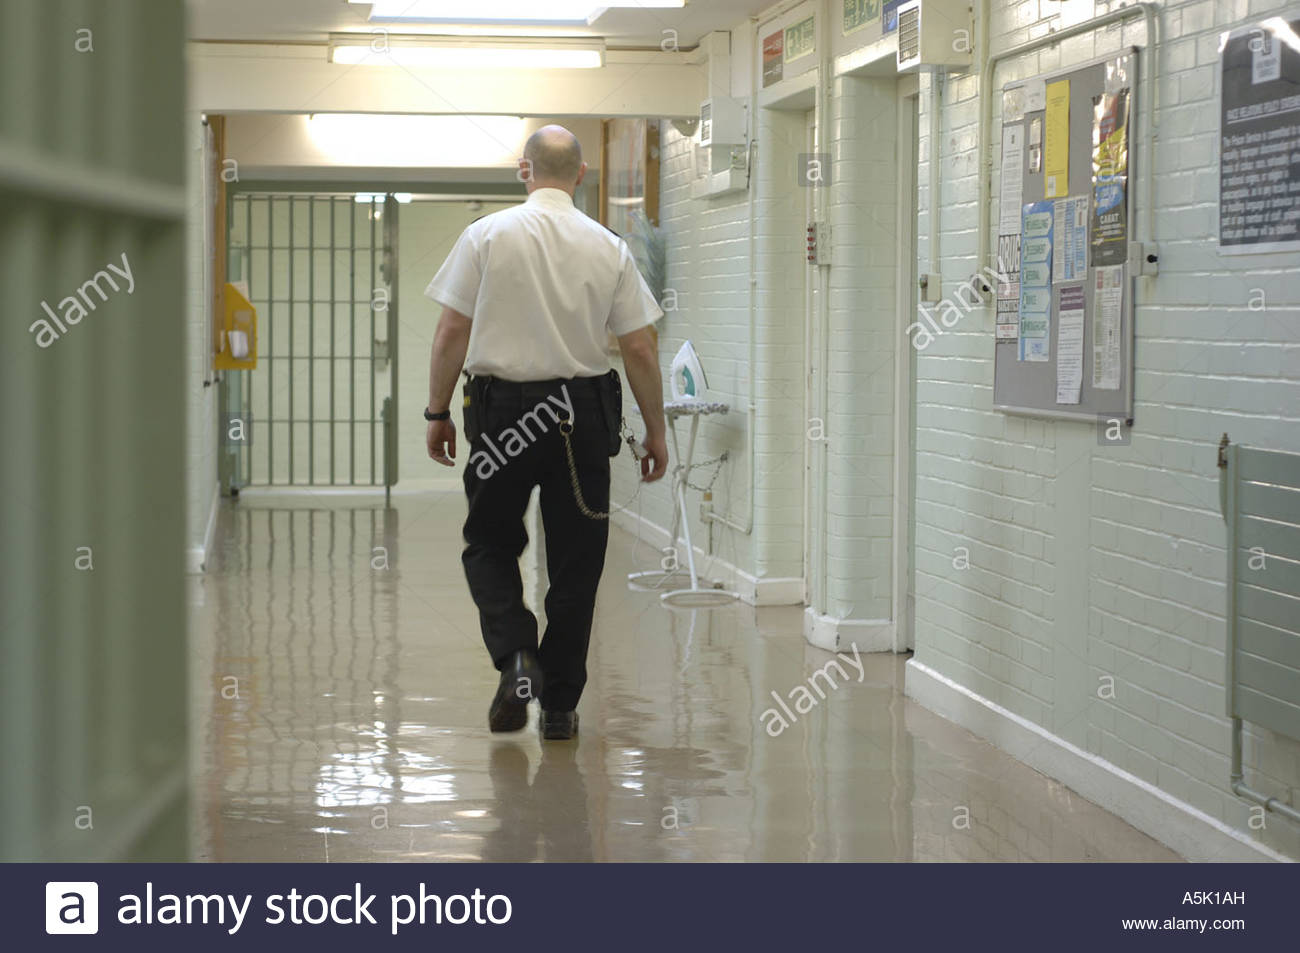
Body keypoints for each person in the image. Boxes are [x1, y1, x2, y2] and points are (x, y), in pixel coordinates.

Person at [423, 124, 669, 741]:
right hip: (578, 418)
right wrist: (656, 431)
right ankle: (559, 707)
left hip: (502, 415)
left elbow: (452, 332)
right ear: (581, 174)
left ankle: (517, 662)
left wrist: (437, 412)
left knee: (489, 544)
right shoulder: (608, 245)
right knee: (577, 564)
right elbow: (638, 346)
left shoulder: (485, 235)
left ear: (524, 172)